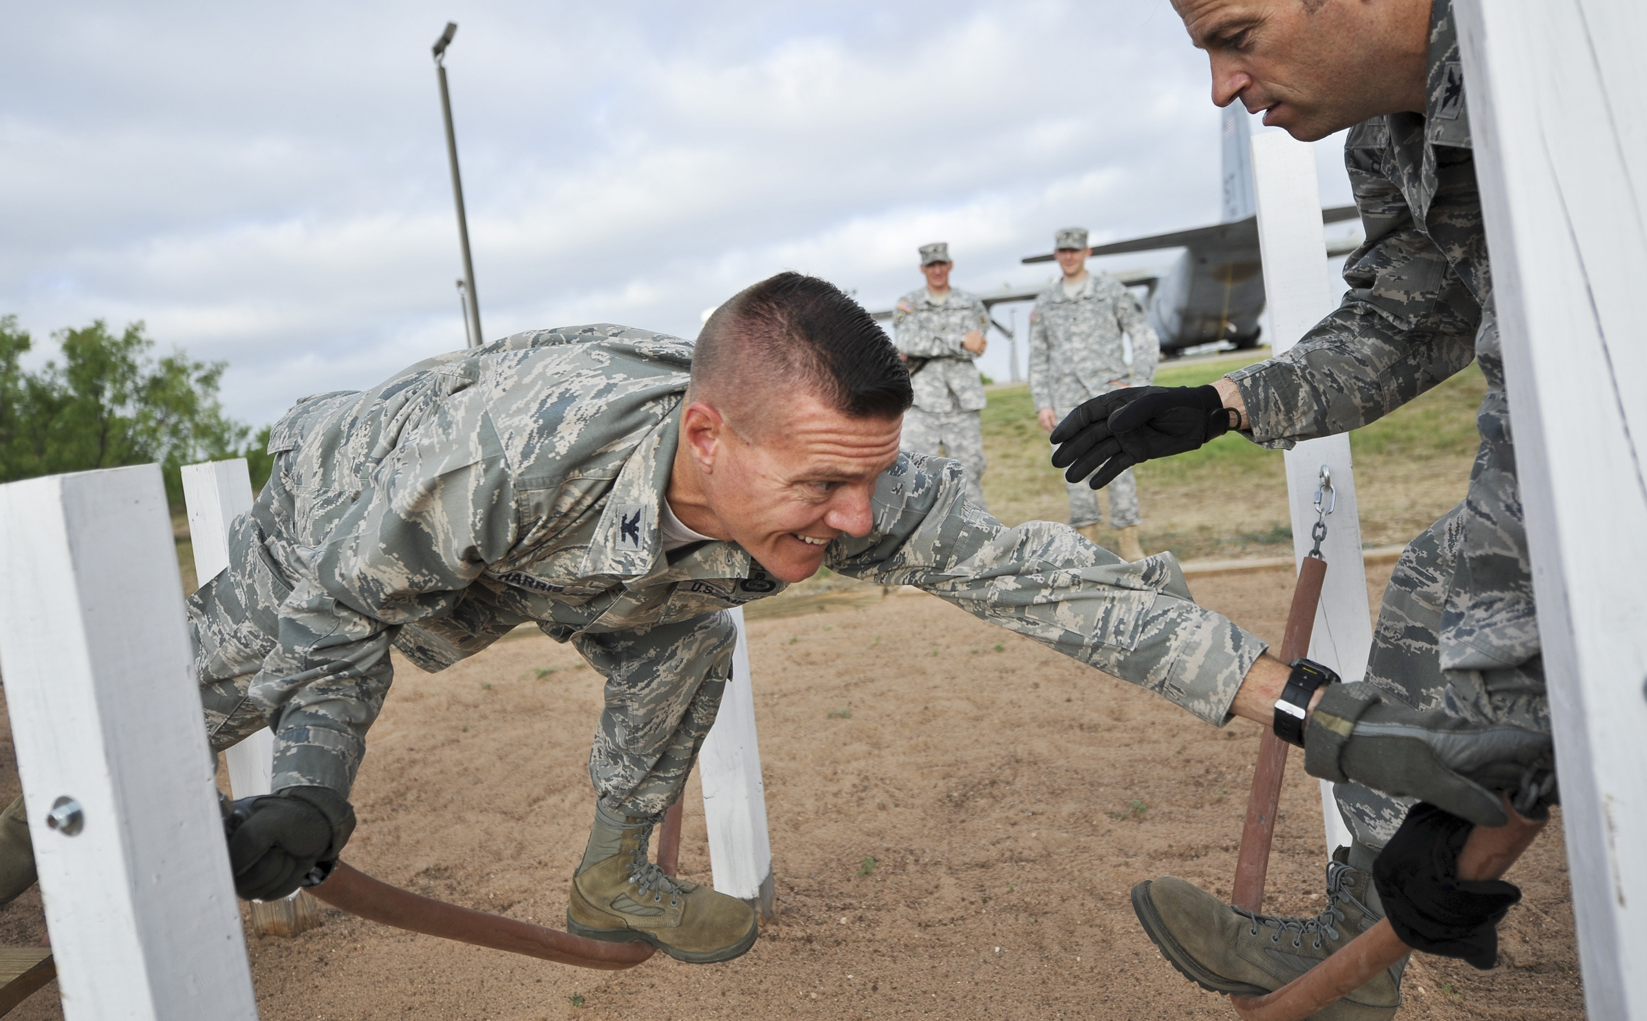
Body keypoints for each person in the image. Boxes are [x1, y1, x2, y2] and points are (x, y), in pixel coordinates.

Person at [2, 270, 1510, 969]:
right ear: (708, 439)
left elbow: (1067, 591)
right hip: (347, 518)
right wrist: (319, 786)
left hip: (615, 561)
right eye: (823, 489)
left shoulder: (842, 487)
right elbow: (341, 609)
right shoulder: (490, 457)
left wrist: (1321, 711)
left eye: (867, 489)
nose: (856, 527)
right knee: (183, 703)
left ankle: (614, 879)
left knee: (686, 639)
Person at [1050, 0, 1647, 1015]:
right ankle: (1363, 943)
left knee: (1519, 616)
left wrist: (1482, 766)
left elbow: (1589, 406)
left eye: (1235, 40)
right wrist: (1222, 401)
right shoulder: (1399, 129)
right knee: (1450, 586)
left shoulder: (1643, 15)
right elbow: (1411, 318)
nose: (1221, 89)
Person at [1029, 227, 1157, 562]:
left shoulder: (1110, 291)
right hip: (1065, 399)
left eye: (1075, 249)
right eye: (1063, 251)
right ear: (1056, 255)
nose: (1069, 256)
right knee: (1074, 470)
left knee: (1121, 464)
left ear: (1087, 252)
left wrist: (1140, 381)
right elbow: (1037, 356)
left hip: (1109, 394)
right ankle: (1087, 546)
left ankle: (1129, 541)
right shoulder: (1046, 302)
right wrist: (1042, 402)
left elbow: (1143, 335)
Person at [893, 241, 992, 511]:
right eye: (930, 265)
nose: (937, 270)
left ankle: (980, 546)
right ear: (922, 268)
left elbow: (979, 343)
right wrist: (959, 342)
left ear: (950, 265)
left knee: (970, 480)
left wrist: (931, 344)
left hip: (963, 403)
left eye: (941, 264)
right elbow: (907, 342)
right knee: (914, 480)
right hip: (923, 404)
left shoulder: (970, 304)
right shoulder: (909, 303)